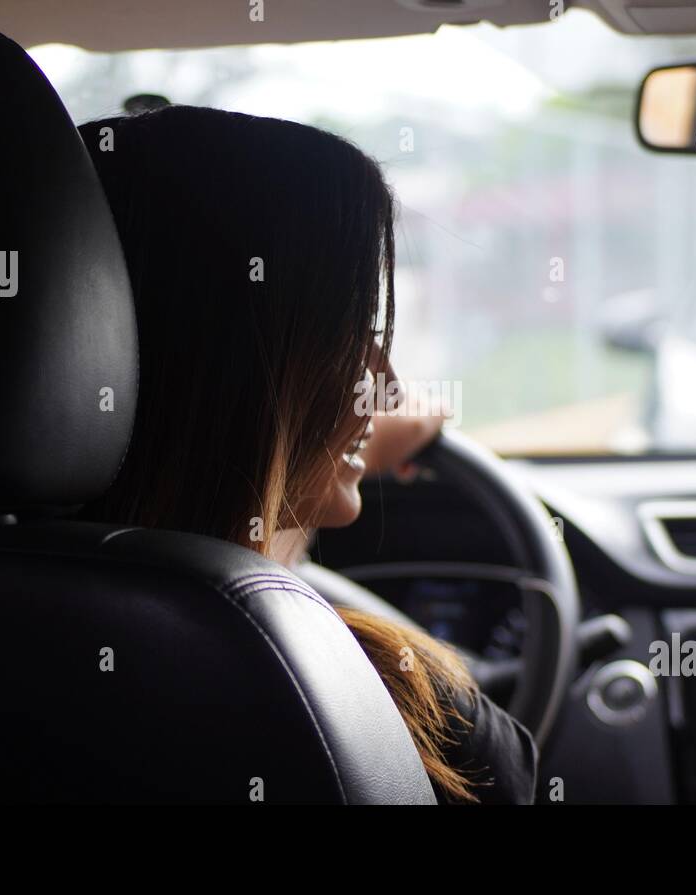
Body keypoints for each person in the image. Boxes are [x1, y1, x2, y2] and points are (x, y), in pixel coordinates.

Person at [77, 105, 537, 804]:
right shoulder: (390, 707)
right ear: (251, 380)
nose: (387, 383)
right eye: (356, 334)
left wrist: (320, 452)